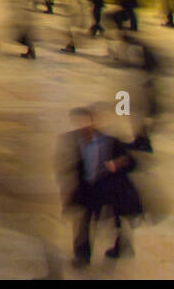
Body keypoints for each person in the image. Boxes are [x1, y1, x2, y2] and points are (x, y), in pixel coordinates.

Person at [57, 107, 142, 267]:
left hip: (108, 188)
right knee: (84, 222)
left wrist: (117, 164)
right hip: (88, 189)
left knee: (114, 221)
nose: (82, 126)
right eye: (78, 123)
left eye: (85, 122)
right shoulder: (73, 140)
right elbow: (71, 168)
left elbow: (132, 162)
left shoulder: (110, 141)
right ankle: (82, 257)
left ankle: (120, 246)